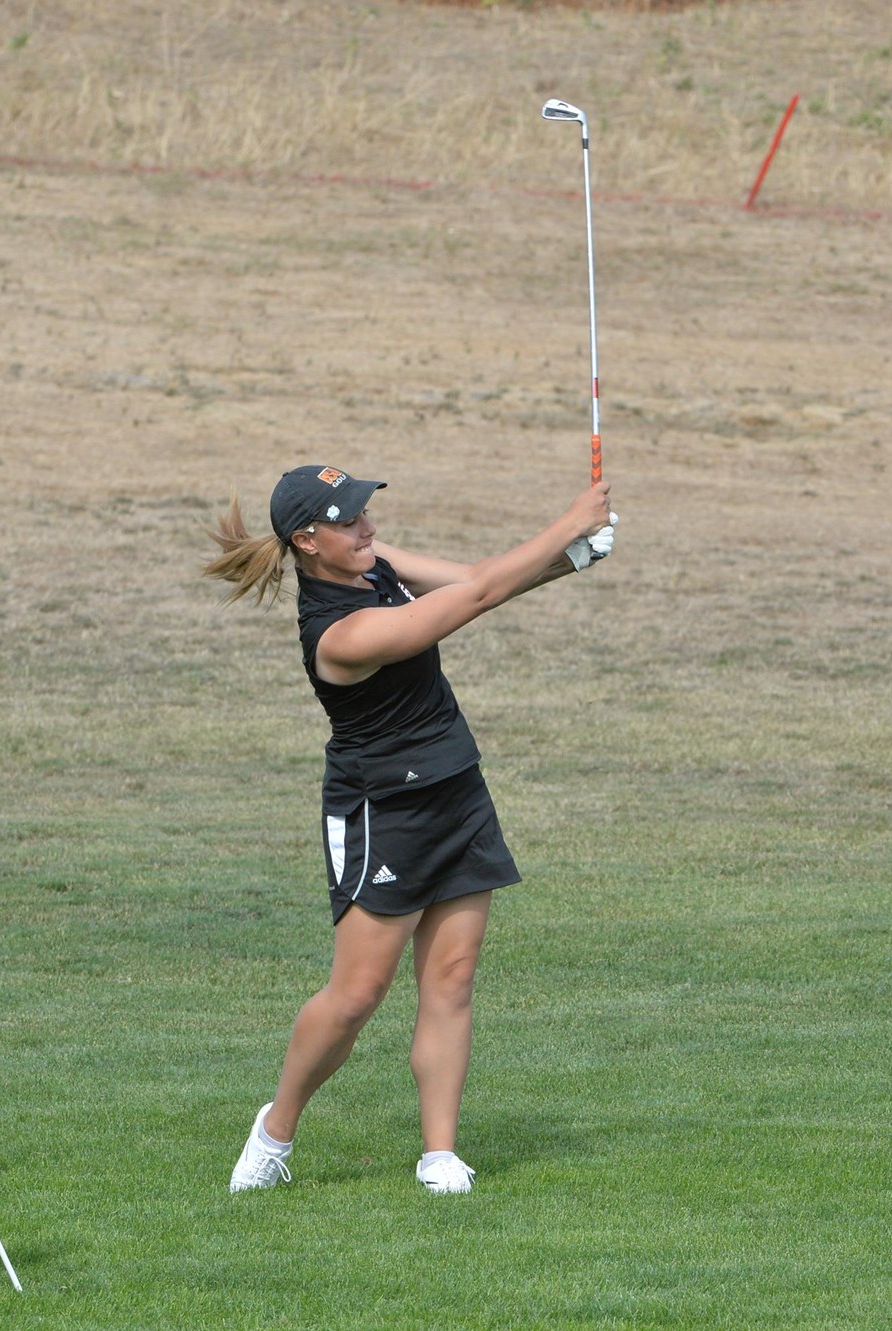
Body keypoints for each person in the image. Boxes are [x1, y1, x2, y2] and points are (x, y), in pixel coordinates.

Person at [204, 463, 616, 1194]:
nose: (368, 527)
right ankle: (276, 1130)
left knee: (453, 978)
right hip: (382, 811)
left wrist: (571, 558)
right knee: (358, 995)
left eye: (366, 512)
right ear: (307, 540)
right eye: (349, 520)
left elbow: (478, 576)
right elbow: (479, 597)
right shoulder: (338, 635)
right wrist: (567, 522)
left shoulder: (379, 568)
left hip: (457, 790)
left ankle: (439, 1153)